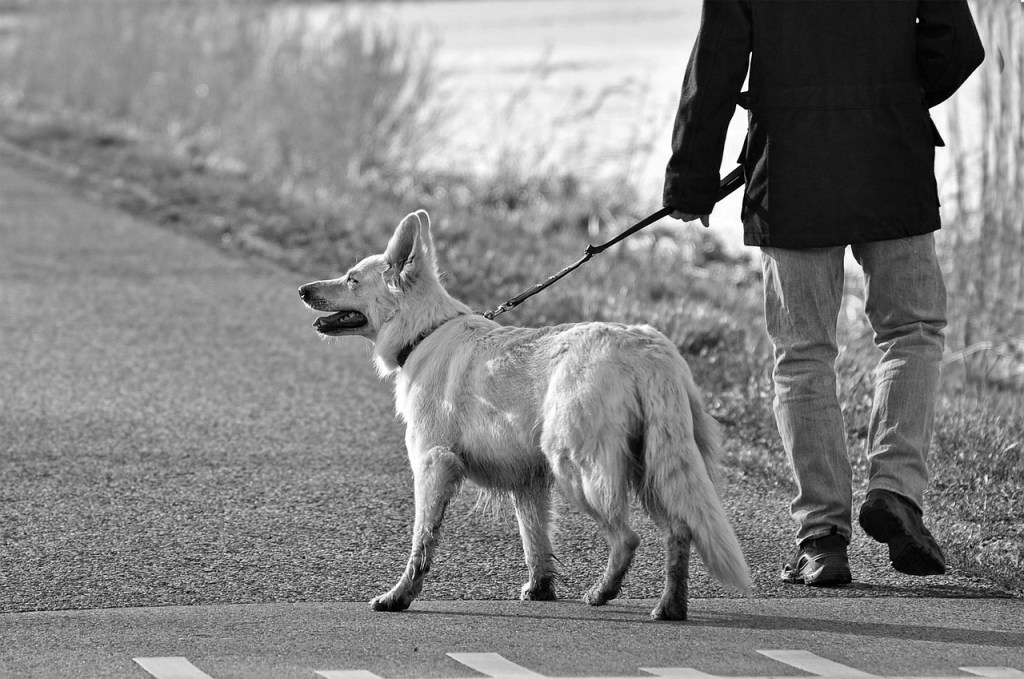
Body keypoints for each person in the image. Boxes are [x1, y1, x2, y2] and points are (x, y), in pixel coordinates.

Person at [663, 0, 984, 586]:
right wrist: (896, 96)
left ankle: (822, 538)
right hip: (893, 158)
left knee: (803, 352)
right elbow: (958, 46)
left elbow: (716, 64)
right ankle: (895, 490)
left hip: (792, 171)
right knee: (912, 331)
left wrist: (690, 178)